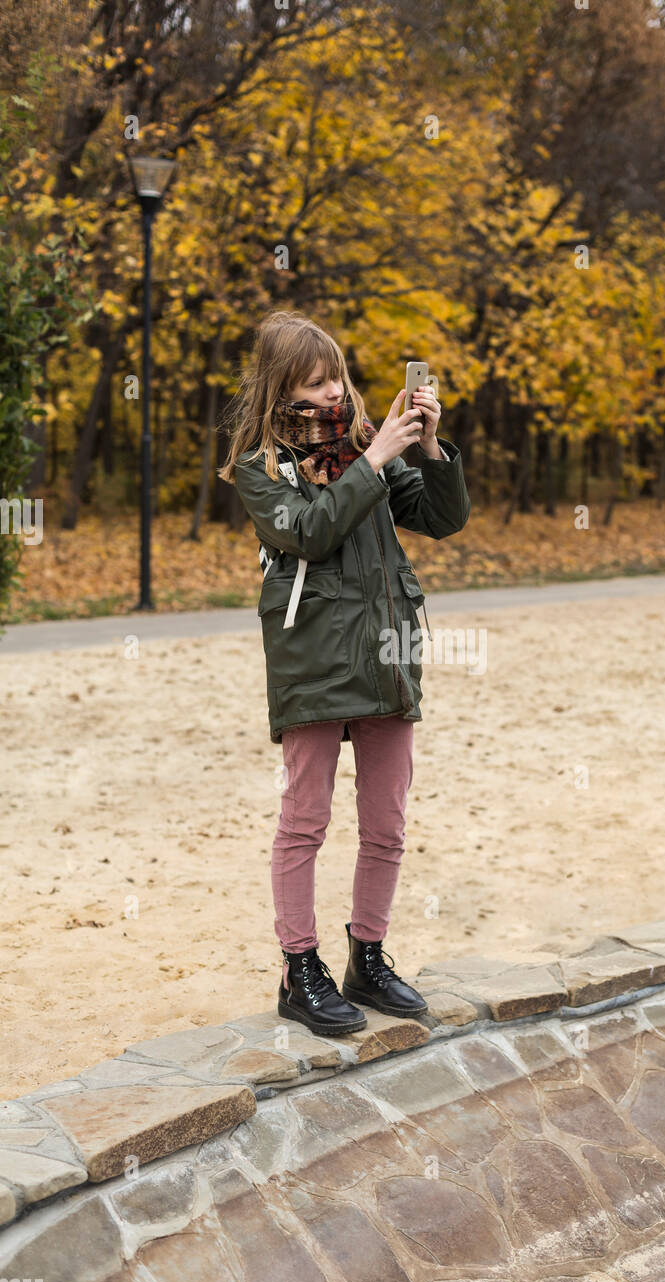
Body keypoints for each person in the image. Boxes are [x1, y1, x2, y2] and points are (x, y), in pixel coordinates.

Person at [218, 311, 471, 1036]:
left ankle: (369, 954)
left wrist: (424, 448)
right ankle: (301, 970)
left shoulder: (372, 448)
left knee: (386, 822)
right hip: (315, 657)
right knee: (305, 822)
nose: (335, 390)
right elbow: (310, 531)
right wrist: (375, 457)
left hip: (386, 653)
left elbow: (440, 519)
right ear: (282, 390)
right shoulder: (261, 470)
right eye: (316, 380)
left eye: (337, 375)